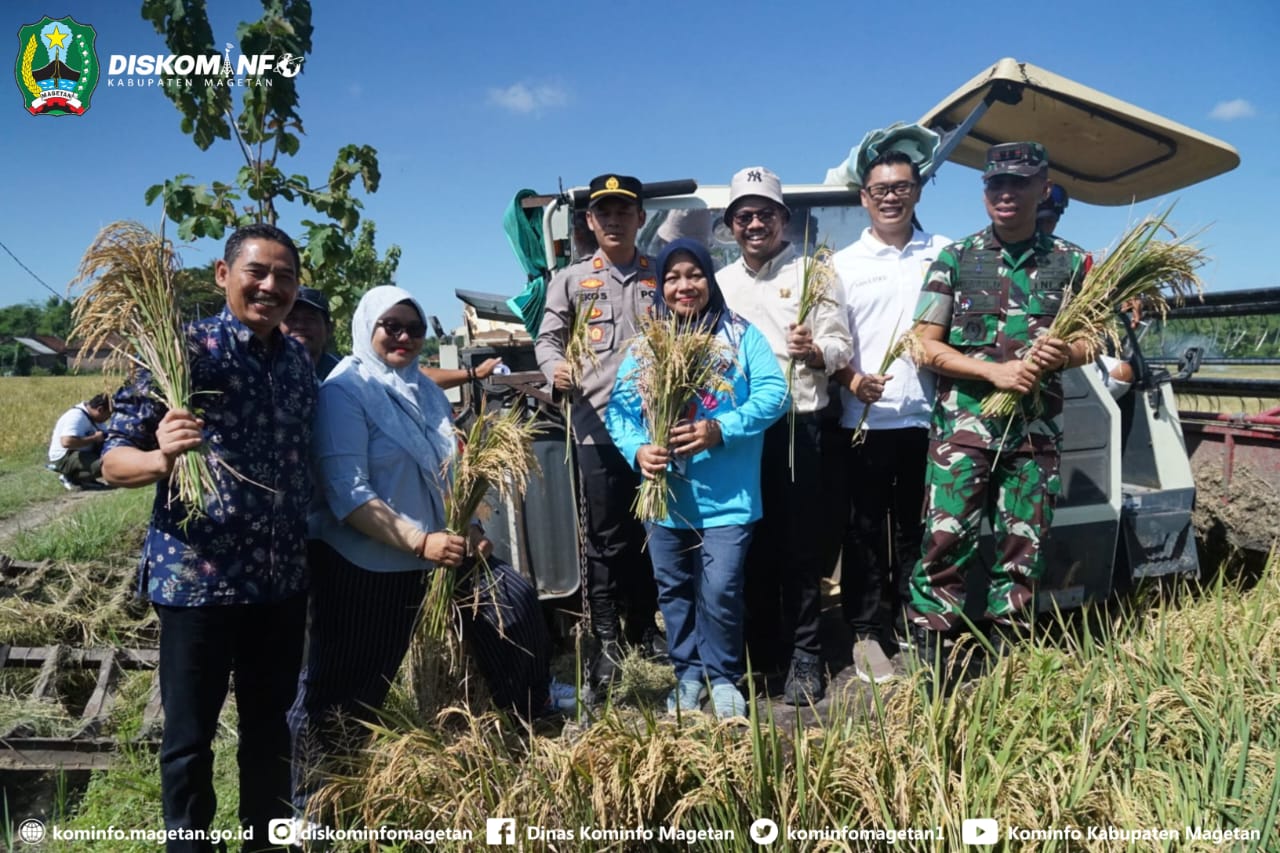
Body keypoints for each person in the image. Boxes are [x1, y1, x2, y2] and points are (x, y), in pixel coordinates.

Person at [289, 285, 570, 818]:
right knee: (346, 687)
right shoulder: (345, 391)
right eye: (390, 326)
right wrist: (421, 539)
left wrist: (468, 526)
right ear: (365, 328)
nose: (404, 337)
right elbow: (348, 493)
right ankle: (315, 801)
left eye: (413, 328)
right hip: (368, 558)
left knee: (510, 601)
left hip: (440, 548)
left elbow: (450, 469)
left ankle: (531, 723)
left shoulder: (423, 389)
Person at [102, 223, 315, 853]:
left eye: (284, 275)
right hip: (199, 581)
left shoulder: (299, 361)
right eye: (257, 272)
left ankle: (265, 842)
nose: (270, 286)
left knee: (271, 729)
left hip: (279, 581)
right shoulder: (183, 351)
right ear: (224, 275)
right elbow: (113, 461)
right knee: (190, 737)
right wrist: (160, 458)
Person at [907, 142, 1092, 683]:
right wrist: (992, 373)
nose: (1005, 194)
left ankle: (1006, 658)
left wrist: (1069, 352)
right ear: (985, 192)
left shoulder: (1073, 262)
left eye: (1018, 183)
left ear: (1043, 187)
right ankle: (938, 656)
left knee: (1023, 546)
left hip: (1033, 434)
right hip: (963, 433)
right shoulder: (956, 259)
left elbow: (1095, 340)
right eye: (995, 185)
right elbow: (923, 344)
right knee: (945, 541)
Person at [606, 239, 788, 719]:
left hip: (728, 498)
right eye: (673, 277)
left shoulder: (741, 335)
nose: (684, 286)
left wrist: (720, 429)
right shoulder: (648, 346)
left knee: (721, 588)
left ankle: (723, 676)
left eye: (694, 274)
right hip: (665, 499)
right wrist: (637, 450)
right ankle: (687, 673)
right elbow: (619, 413)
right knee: (673, 590)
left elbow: (774, 394)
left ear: (710, 279)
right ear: (660, 287)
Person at [716, 166, 852, 704]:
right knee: (747, 544)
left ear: (783, 219)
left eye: (765, 214)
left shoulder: (814, 274)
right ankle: (762, 647)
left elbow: (840, 343)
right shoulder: (720, 284)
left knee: (800, 550)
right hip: (740, 431)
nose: (755, 225)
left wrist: (815, 351)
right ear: (730, 225)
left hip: (799, 424)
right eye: (744, 216)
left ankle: (805, 656)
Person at [535, 174, 662, 689]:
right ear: (589, 221)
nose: (613, 219)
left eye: (622, 211)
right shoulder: (570, 280)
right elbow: (547, 341)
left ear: (640, 218)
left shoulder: (663, 274)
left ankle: (645, 628)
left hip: (657, 430)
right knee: (607, 538)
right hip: (598, 427)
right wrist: (554, 370)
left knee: (657, 532)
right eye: (602, 211)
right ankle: (607, 638)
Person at [831, 150, 951, 684]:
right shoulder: (840, 265)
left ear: (918, 192)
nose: (891, 197)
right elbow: (830, 346)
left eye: (901, 187)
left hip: (930, 418)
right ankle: (866, 632)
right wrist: (852, 379)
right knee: (862, 532)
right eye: (880, 189)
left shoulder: (946, 254)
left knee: (917, 528)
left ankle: (913, 620)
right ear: (864, 198)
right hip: (863, 421)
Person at [47, 393, 112, 488]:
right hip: (66, 456)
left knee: (113, 458)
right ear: (100, 410)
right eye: (108, 415)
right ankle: (72, 476)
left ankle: (85, 479)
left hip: (83, 453)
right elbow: (66, 442)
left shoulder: (95, 417)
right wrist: (94, 438)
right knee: (108, 466)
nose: (108, 418)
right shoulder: (76, 416)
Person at [281, 287, 342, 380]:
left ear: (329, 329)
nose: (300, 326)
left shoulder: (343, 375)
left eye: (310, 319)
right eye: (291, 319)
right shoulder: (261, 371)